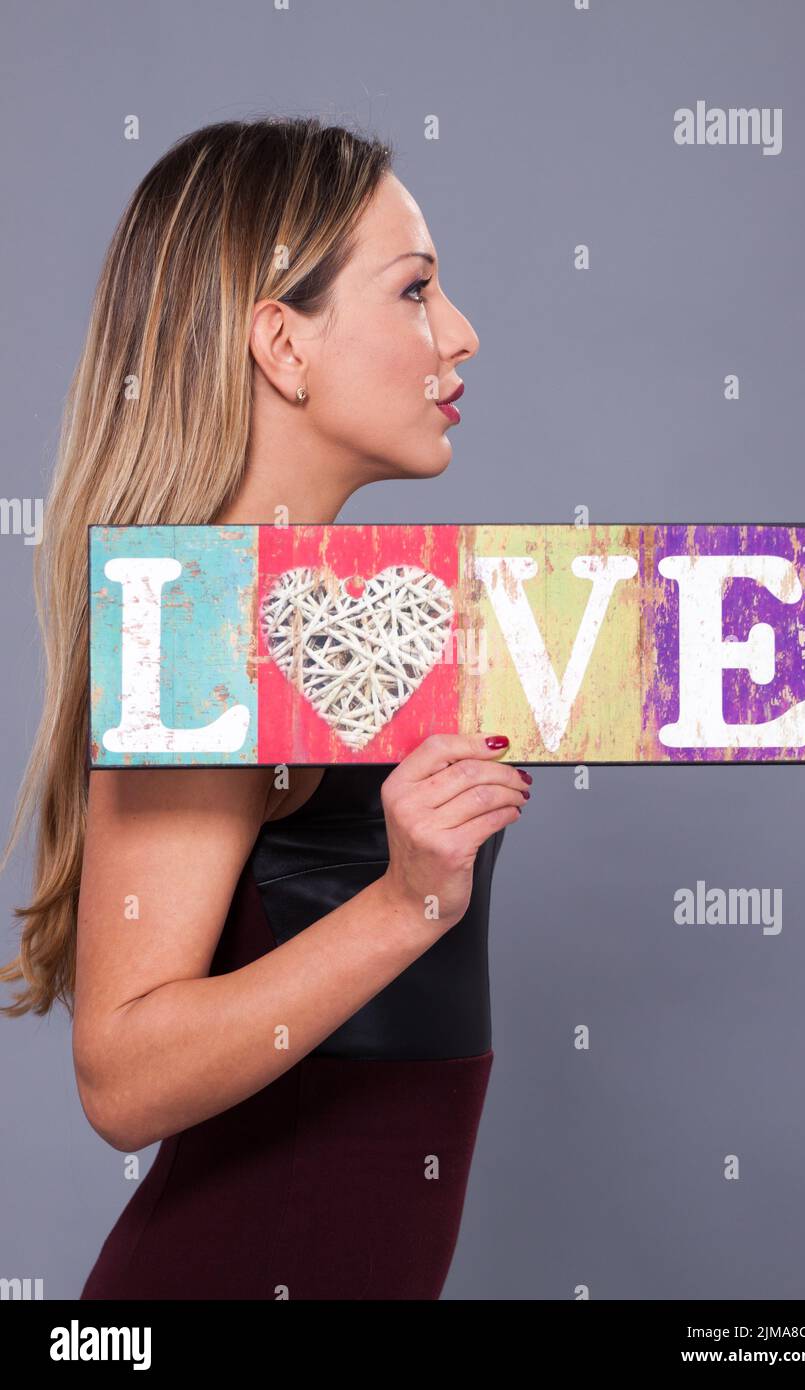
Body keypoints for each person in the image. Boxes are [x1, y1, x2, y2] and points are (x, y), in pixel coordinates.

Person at [0, 117, 532, 1299]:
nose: (459, 334)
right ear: (283, 346)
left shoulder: (318, 615)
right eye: (415, 290)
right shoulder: (204, 631)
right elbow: (122, 1077)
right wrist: (403, 907)